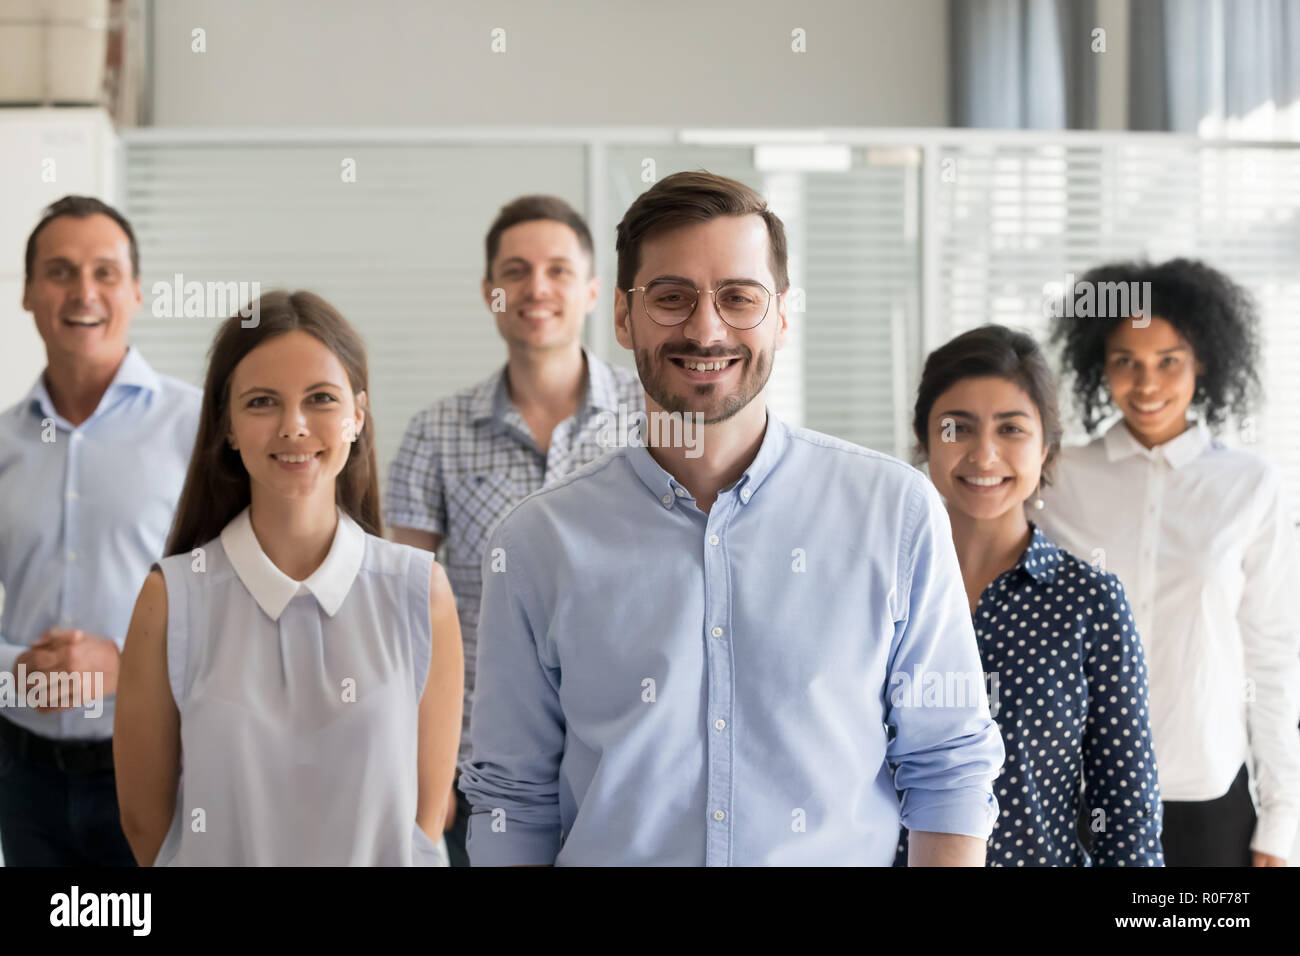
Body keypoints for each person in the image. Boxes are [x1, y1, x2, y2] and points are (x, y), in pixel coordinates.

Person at [459, 171, 1005, 866]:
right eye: (671, 298)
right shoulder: (537, 544)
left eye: (738, 297)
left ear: (780, 315)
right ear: (624, 318)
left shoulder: (895, 513)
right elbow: (512, 797)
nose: (706, 328)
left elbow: (949, 767)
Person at [113, 290, 463, 866]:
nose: (294, 427)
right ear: (226, 425)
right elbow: (147, 825)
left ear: (357, 415)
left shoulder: (420, 592)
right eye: (262, 402)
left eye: (321, 398)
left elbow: (421, 828)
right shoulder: (172, 599)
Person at [385, 195, 641, 866]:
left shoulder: (655, 421)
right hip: (483, 766)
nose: (537, 288)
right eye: (517, 271)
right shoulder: (434, 433)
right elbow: (403, 618)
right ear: (490, 292)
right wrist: (421, 765)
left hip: (625, 758)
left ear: (592, 291)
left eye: (558, 270)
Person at [1040, 259, 1300, 867]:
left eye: (1168, 361)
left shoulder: (1251, 484)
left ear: (1203, 361)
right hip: (1081, 790)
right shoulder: (1057, 477)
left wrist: (1283, 819)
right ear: (1100, 366)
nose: (1147, 383)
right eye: (1126, 360)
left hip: (1206, 791)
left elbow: (1272, 650)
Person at [895, 325, 1162, 866]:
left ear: (1046, 447)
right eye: (958, 428)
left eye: (1011, 429)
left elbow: (1127, 815)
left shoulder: (1090, 601)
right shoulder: (878, 586)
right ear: (925, 438)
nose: (984, 455)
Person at [0, 196, 200, 866]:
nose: (83, 291)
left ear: (136, 291)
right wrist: (12, 673)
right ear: (28, 293)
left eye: (105, 272)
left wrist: (129, 663)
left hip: (158, 768)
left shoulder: (199, 429)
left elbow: (241, 606)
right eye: (59, 271)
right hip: (21, 779)